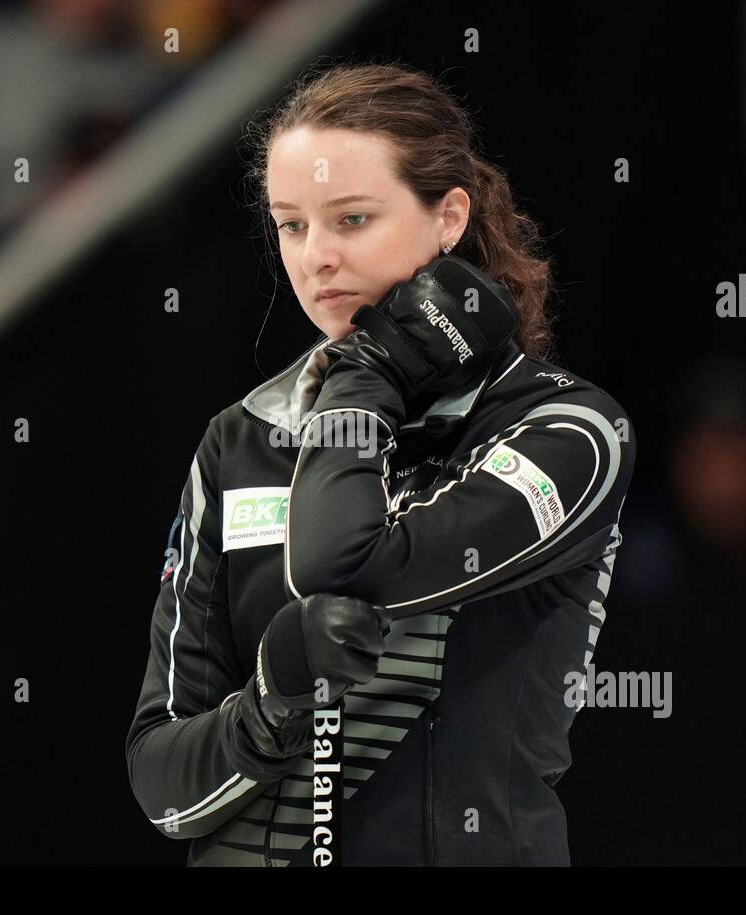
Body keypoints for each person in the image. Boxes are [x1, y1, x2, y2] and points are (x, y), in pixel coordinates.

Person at [125, 61, 636, 866]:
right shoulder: (242, 437)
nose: (314, 257)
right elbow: (165, 792)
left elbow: (343, 561)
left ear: (450, 218)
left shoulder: (566, 430)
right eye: (291, 225)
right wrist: (270, 702)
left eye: (352, 219)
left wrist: (368, 372)